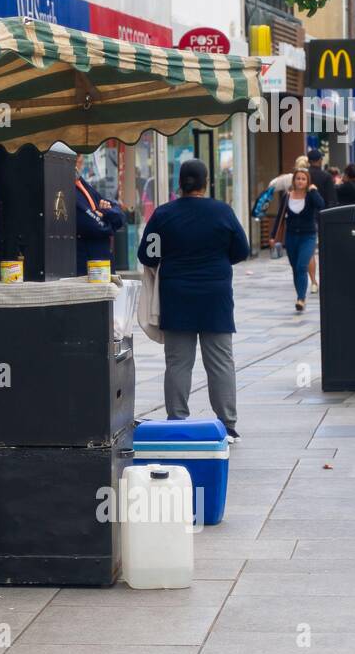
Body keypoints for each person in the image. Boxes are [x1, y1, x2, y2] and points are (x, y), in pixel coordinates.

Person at [138, 159, 250, 441]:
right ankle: (227, 425)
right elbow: (242, 250)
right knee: (221, 361)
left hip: (176, 295)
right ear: (206, 182)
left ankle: (176, 419)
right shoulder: (222, 211)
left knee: (178, 362)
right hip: (216, 295)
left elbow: (146, 254)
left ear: (180, 183)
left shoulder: (164, 214)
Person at [277, 168, 325, 312]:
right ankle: (300, 295)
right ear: (294, 180)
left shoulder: (311, 196)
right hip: (291, 236)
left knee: (301, 266)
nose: (300, 181)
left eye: (304, 179)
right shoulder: (287, 196)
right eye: (298, 178)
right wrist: (273, 236)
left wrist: (314, 190)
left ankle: (301, 298)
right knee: (295, 268)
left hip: (308, 236)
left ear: (308, 181)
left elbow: (321, 204)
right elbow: (280, 218)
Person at [74, 153, 125, 275]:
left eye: (80, 156)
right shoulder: (68, 189)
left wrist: (103, 213)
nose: (80, 160)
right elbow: (93, 225)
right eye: (77, 157)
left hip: (102, 264)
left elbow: (119, 215)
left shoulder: (81, 183)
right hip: (88, 268)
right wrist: (107, 219)